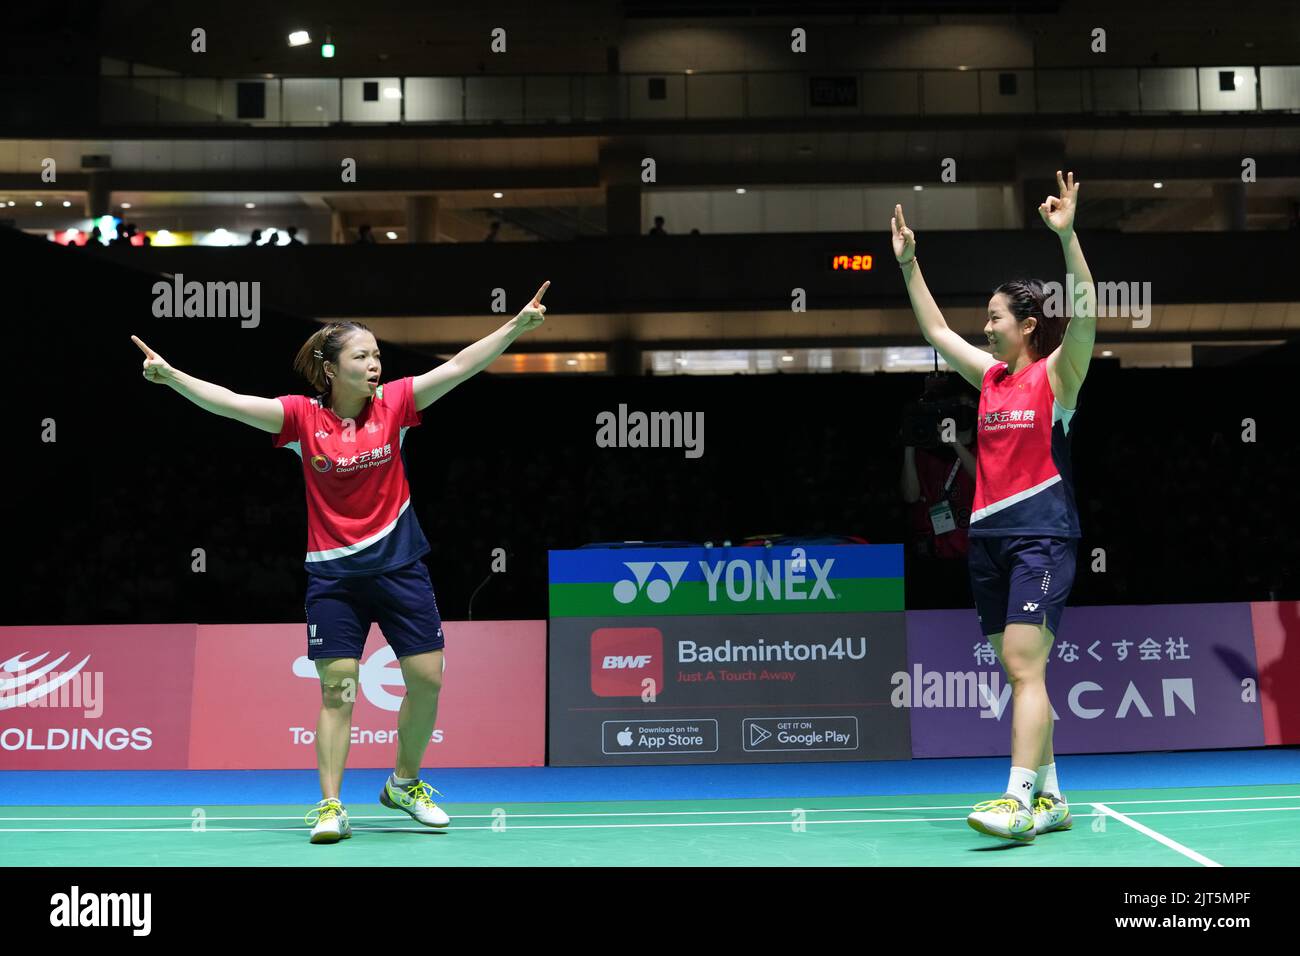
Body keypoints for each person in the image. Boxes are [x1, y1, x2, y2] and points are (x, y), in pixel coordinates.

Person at [130, 281, 551, 844]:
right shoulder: (300, 419)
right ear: (331, 369)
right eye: (361, 356)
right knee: (339, 690)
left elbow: (459, 366)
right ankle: (331, 806)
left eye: (377, 355)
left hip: (400, 567)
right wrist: (173, 377)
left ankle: (404, 783)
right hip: (334, 577)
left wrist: (516, 327)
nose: (375, 364)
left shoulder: (396, 404)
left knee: (427, 679)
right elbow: (229, 402)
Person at [892, 170, 1096, 844]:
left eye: (995, 318)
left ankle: (1017, 799)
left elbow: (1087, 313)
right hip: (987, 541)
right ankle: (1054, 797)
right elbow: (935, 330)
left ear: (1028, 325)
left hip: (1042, 538)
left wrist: (1068, 238)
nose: (984, 328)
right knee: (1019, 671)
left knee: (1025, 667)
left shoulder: (1056, 377)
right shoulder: (990, 380)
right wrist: (909, 263)